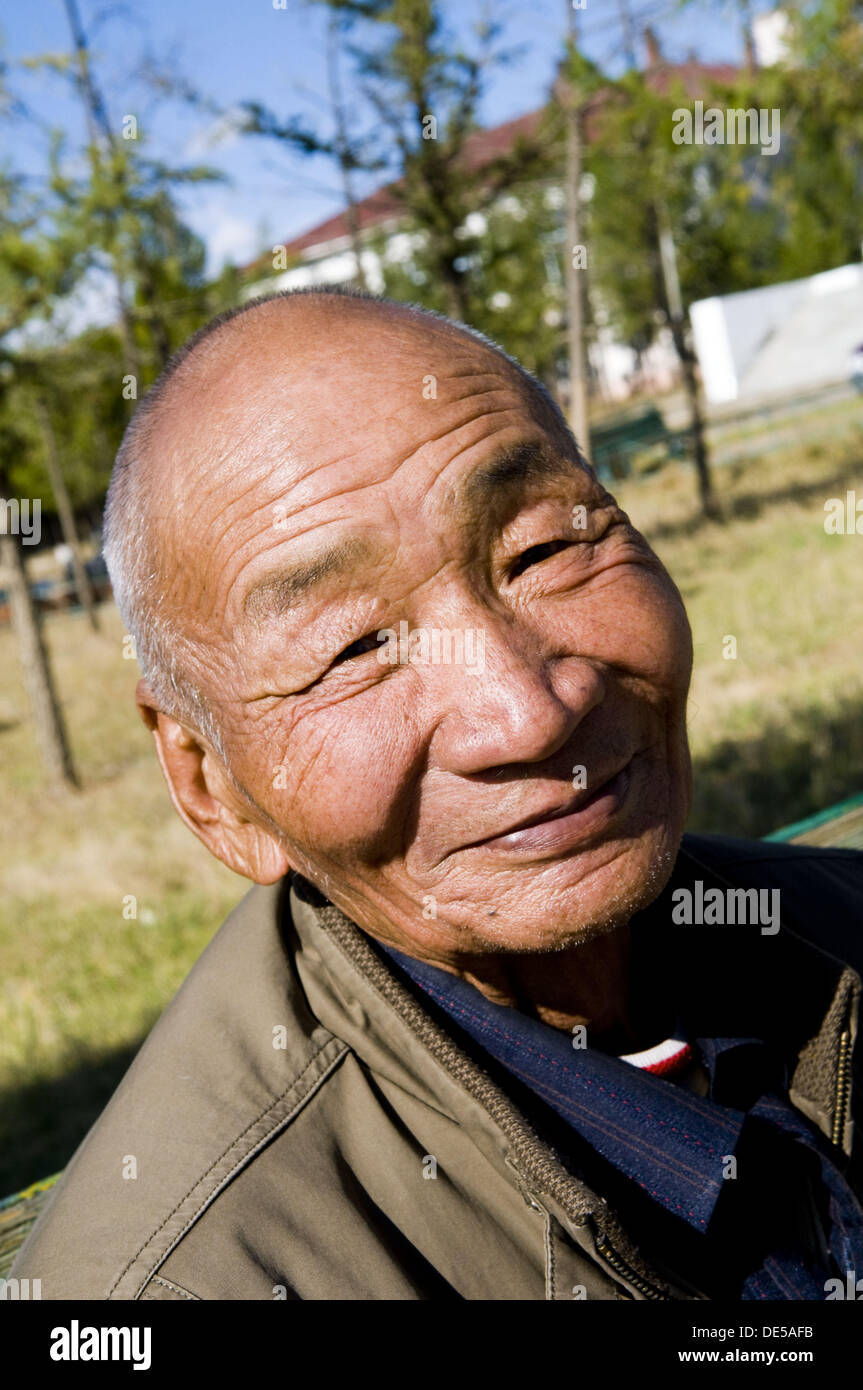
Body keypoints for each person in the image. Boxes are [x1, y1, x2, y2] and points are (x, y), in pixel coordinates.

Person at [12, 289, 863, 1300]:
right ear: (213, 789)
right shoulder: (190, 1287)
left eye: (542, 549)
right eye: (354, 647)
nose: (527, 713)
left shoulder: (832, 926)